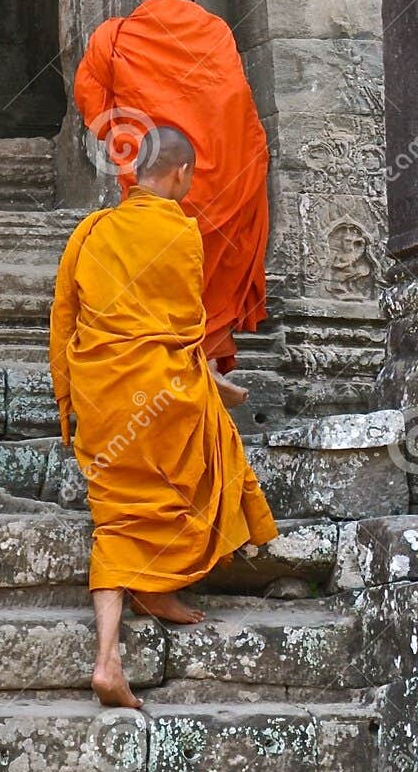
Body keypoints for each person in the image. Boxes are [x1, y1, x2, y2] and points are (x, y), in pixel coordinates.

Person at [49, 128, 278, 711]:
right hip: (161, 393)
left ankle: (116, 646)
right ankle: (136, 619)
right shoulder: (180, 230)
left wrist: (70, 401)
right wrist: (211, 379)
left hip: (104, 391)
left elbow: (65, 321)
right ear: (179, 176)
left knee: (117, 517)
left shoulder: (91, 231)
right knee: (209, 459)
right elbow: (180, 332)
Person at [73, 0, 269, 373]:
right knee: (203, 282)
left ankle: (168, 373)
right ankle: (206, 373)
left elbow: (92, 102)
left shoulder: (113, 38)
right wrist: (240, 163)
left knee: (151, 287)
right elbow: (234, 105)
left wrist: (131, 156)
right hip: (220, 191)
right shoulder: (213, 31)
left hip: (154, 191)